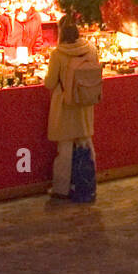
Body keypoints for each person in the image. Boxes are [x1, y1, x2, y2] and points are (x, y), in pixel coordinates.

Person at [44, 15, 100, 200]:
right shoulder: (90, 49)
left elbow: (50, 83)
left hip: (65, 104)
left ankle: (62, 188)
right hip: (84, 101)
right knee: (86, 142)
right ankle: (88, 183)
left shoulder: (58, 54)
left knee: (65, 147)